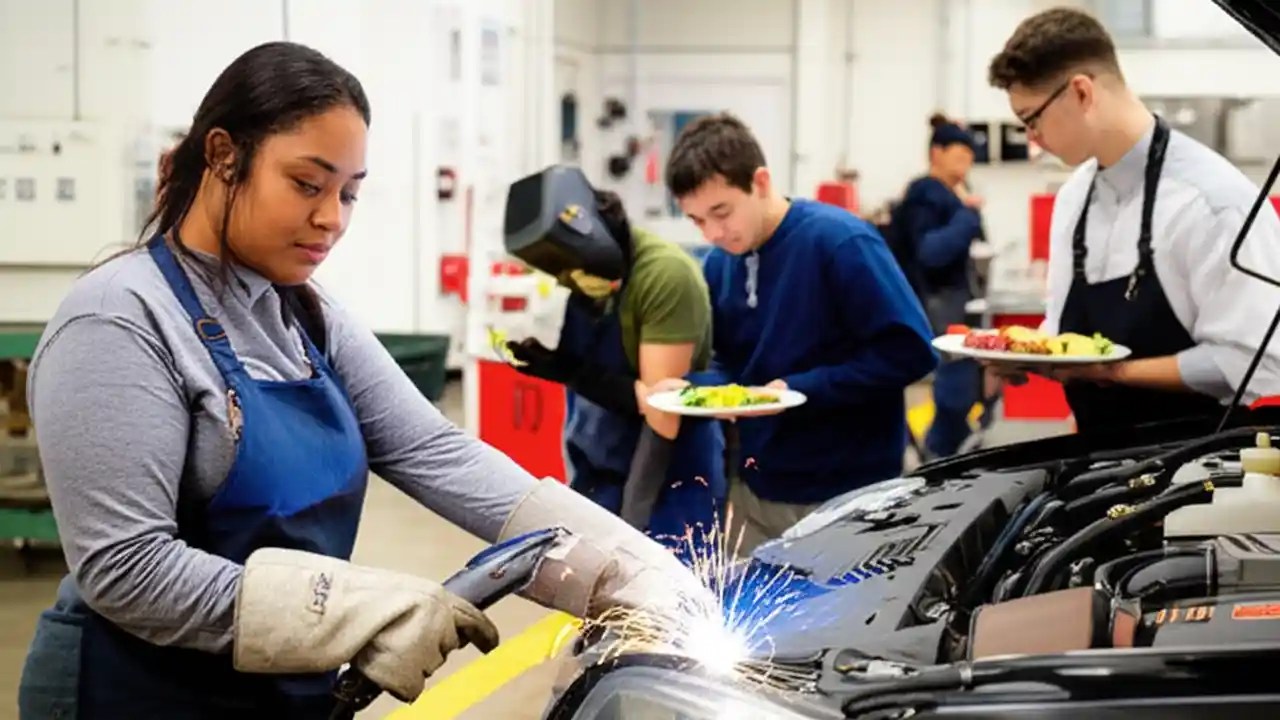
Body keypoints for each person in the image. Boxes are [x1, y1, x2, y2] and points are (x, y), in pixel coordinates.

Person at [16, 41, 705, 719]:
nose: (332, 219)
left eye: (349, 192)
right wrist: (354, 609)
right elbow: (126, 568)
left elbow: (435, 450)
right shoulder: (118, 320)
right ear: (223, 156)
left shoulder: (306, 316)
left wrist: (627, 571)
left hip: (276, 688)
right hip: (134, 693)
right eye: (308, 185)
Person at [985, 7, 1280, 433]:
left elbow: (1258, 363)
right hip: (1100, 462)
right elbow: (1066, 331)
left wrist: (1113, 375)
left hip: (1197, 469)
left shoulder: (1212, 203)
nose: (1032, 140)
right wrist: (1024, 354)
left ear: (1082, 93)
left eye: (1031, 119)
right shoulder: (1073, 199)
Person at [656, 112, 938, 555]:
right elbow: (729, 365)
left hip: (850, 493)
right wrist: (693, 390)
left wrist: (801, 389)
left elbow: (912, 352)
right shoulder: (719, 264)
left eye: (721, 212)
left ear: (761, 182)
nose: (713, 233)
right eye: (696, 221)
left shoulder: (839, 242)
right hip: (755, 492)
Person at [501, 165, 725, 564]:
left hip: (666, 482)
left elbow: (661, 415)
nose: (569, 282)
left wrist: (631, 531)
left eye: (574, 271)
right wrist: (558, 367)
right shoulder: (587, 278)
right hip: (598, 473)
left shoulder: (663, 276)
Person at [892, 115, 987, 458]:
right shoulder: (926, 194)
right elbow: (931, 252)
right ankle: (937, 452)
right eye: (959, 157)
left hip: (952, 302)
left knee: (971, 385)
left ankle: (948, 451)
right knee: (957, 386)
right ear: (937, 153)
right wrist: (967, 214)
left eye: (970, 159)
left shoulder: (954, 194)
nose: (966, 166)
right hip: (935, 303)